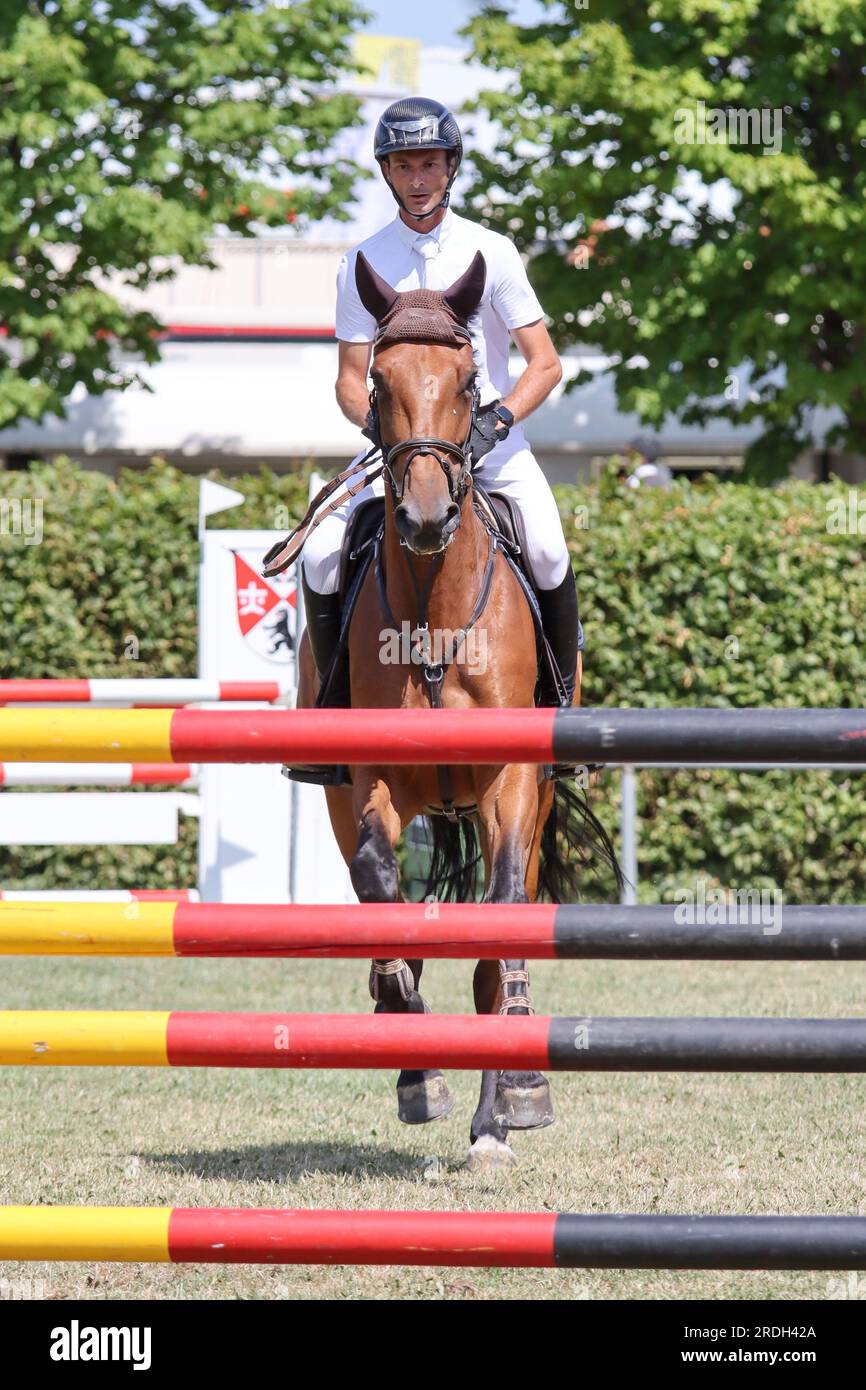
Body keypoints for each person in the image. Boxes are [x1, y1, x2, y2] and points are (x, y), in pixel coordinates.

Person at [301, 96, 579, 729]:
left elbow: (545, 364)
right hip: (401, 451)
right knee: (319, 552)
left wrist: (498, 421)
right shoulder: (361, 262)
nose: (418, 179)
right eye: (404, 166)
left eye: (430, 164)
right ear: (387, 173)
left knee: (550, 550)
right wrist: (385, 431)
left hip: (492, 447)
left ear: (451, 168)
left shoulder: (495, 252)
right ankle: (332, 716)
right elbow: (349, 381)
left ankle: (561, 718)